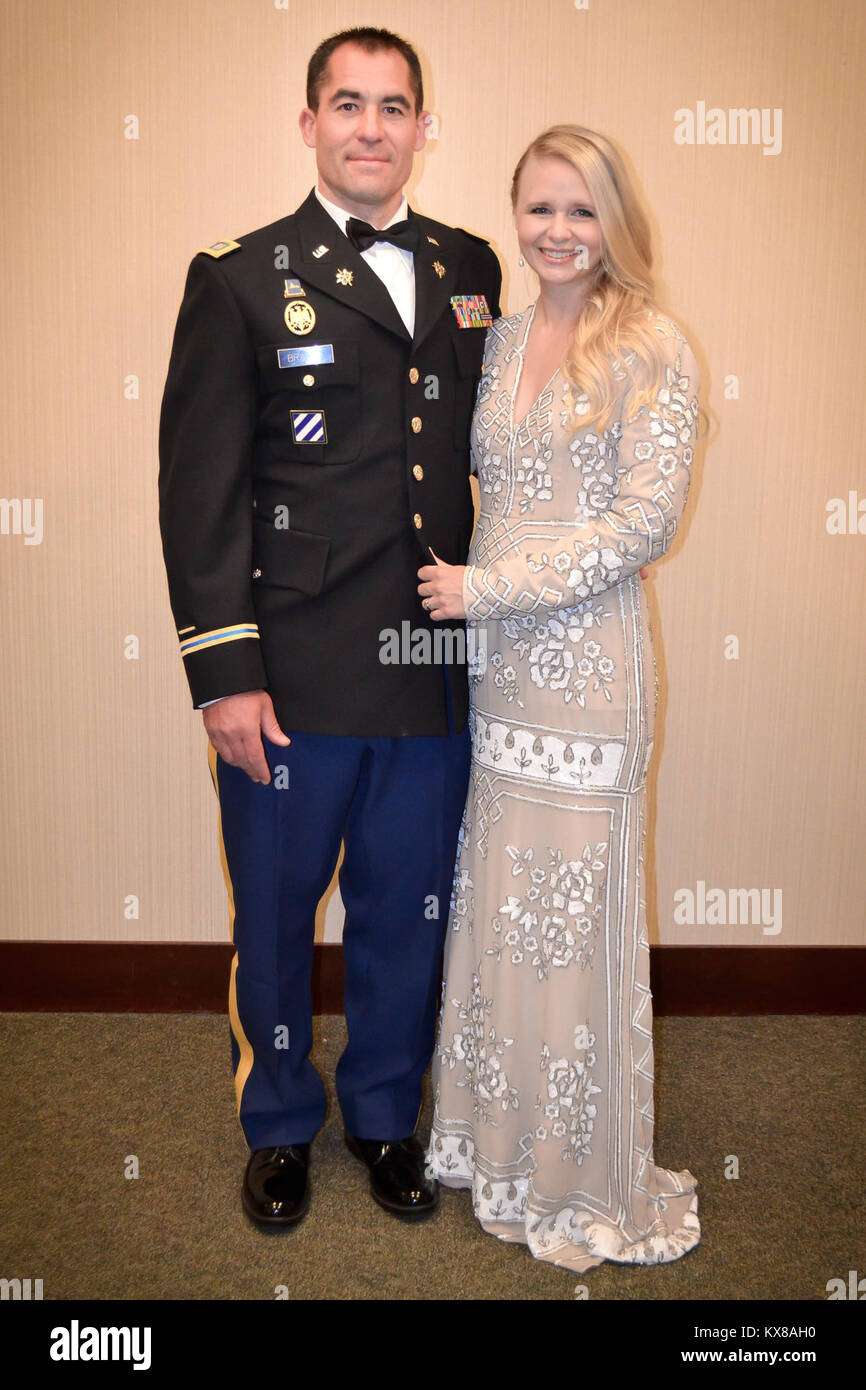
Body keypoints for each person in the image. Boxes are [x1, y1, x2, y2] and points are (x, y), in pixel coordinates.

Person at [158, 26, 501, 1228]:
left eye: (393, 106)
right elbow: (198, 490)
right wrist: (224, 674)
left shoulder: (471, 268)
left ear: (421, 126)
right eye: (346, 103)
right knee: (276, 908)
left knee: (408, 908)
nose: (370, 126)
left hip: (428, 669)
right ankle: (281, 1125)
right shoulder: (240, 275)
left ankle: (383, 1119)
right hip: (291, 670)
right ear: (308, 123)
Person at [418, 125, 701, 1271]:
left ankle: (582, 1172)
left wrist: (486, 586)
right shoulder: (497, 339)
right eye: (537, 209)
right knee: (501, 907)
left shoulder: (653, 346)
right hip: (501, 676)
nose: (556, 232)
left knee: (571, 921)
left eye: (579, 211)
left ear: (613, 223)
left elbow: (642, 524)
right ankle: (497, 1147)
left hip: (588, 671)